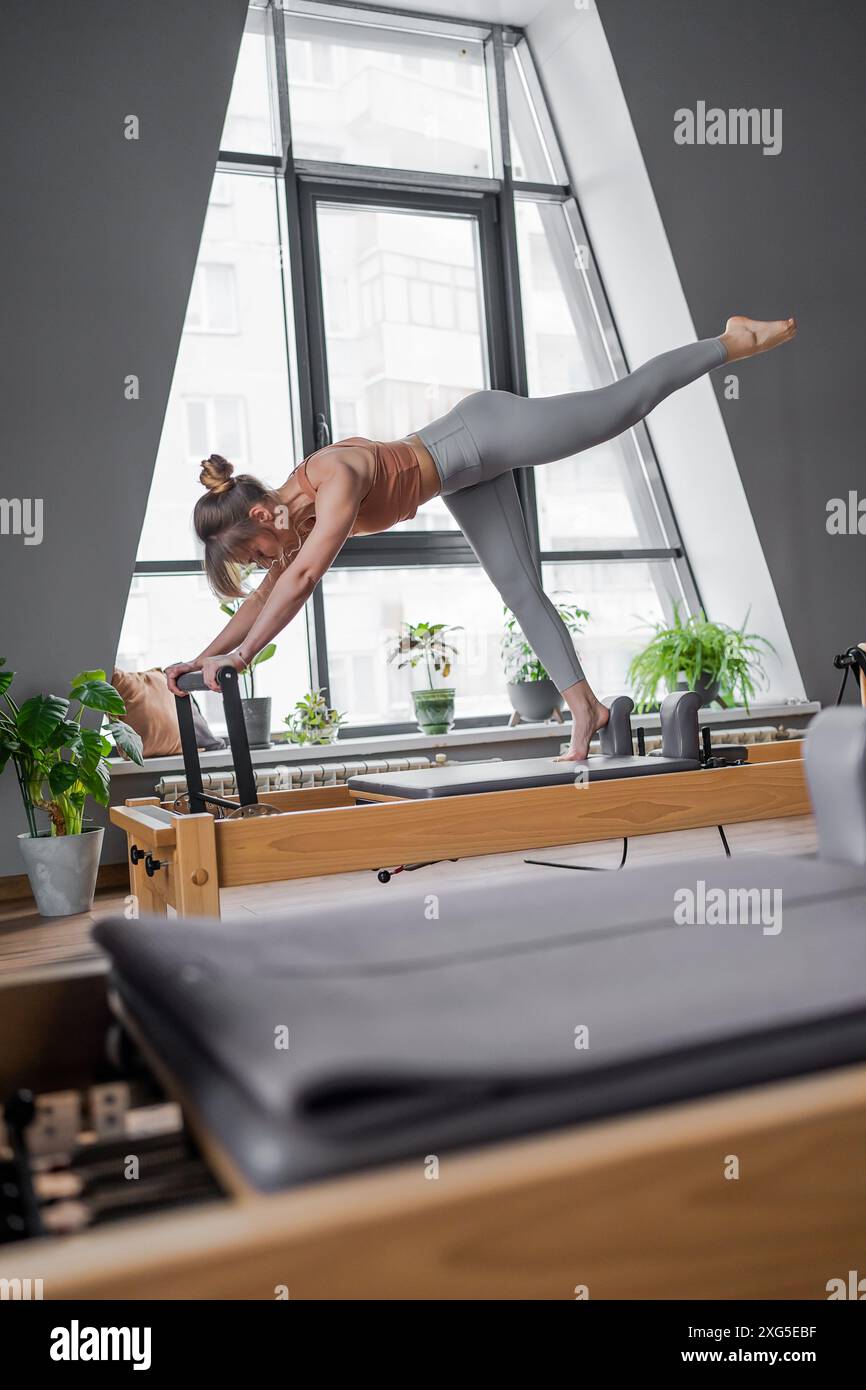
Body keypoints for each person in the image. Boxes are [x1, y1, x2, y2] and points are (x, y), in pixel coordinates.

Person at [166, 315, 796, 760]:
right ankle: (587, 709)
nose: (259, 567)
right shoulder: (294, 520)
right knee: (520, 590)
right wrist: (203, 658)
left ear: (259, 520)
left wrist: (242, 658)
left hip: (482, 433)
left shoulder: (331, 477)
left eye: (250, 557)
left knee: (617, 407)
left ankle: (728, 341)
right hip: (463, 480)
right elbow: (266, 596)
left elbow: (299, 581)